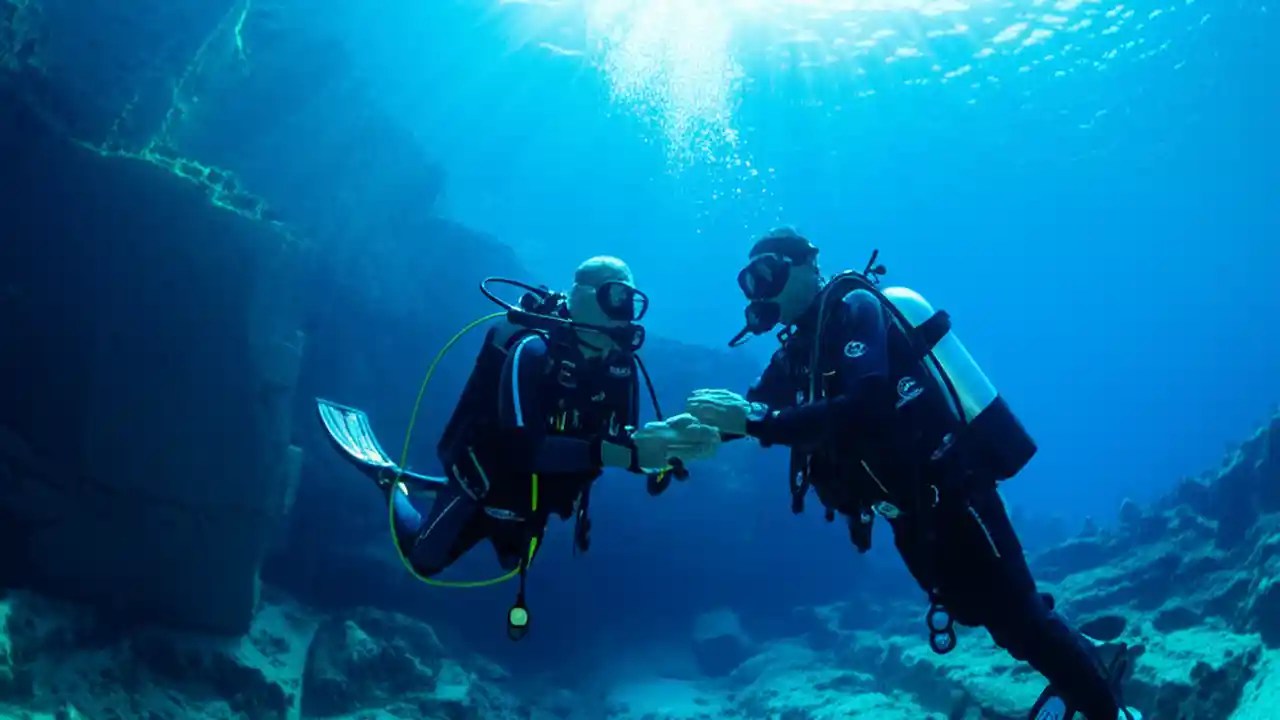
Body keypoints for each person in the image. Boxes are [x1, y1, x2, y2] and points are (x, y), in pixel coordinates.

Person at [686, 228, 1141, 720]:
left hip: (955, 493)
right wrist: (676, 439)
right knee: (985, 615)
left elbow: (865, 405)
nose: (759, 292)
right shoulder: (798, 353)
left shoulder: (856, 308)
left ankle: (1107, 710)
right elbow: (746, 411)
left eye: (766, 274)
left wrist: (758, 423)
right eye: (748, 283)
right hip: (906, 514)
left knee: (1020, 614)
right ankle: (1089, 659)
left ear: (805, 265)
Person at [320, 256, 719, 639]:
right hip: (484, 481)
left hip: (537, 498)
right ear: (580, 298)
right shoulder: (531, 352)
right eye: (613, 296)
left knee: (512, 562)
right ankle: (393, 484)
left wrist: (660, 449)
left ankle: (427, 485)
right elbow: (522, 449)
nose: (623, 311)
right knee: (423, 560)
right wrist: (626, 453)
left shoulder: (621, 368)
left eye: (630, 301)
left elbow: (624, 440)